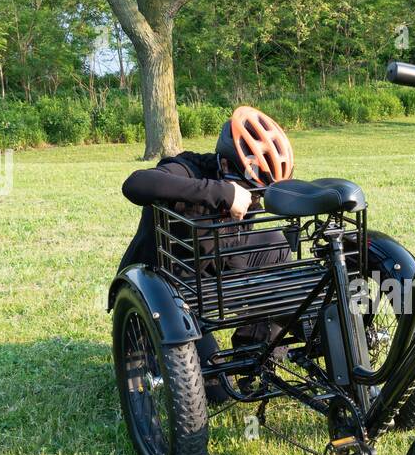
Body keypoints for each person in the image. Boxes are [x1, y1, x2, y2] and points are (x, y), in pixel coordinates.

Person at [119, 106, 296, 391]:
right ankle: (157, 354)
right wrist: (223, 195)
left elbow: (232, 250)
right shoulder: (187, 168)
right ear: (226, 166)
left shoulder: (252, 198)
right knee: (216, 390)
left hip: (210, 275)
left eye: (259, 192)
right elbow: (136, 184)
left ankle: (255, 351)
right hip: (169, 286)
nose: (253, 199)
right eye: (248, 189)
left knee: (275, 243)